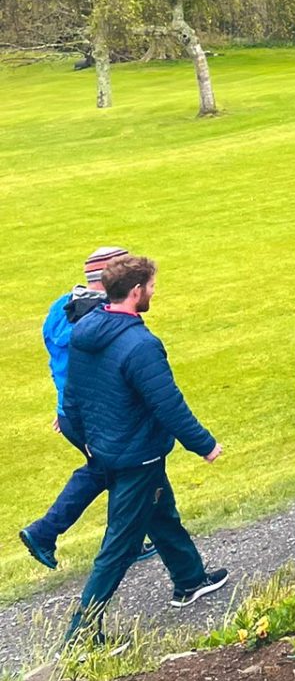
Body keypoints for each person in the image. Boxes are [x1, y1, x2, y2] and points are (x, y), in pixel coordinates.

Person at [62, 255, 226, 643]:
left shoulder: (84, 331)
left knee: (161, 512)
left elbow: (72, 399)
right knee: (119, 544)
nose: (154, 291)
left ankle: (189, 579)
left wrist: (85, 441)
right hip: (137, 455)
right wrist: (204, 444)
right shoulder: (141, 344)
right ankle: (81, 635)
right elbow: (166, 403)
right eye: (151, 286)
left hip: (108, 447)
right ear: (136, 292)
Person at [20, 245, 155, 572]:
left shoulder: (60, 307)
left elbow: (58, 361)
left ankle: (133, 543)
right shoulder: (103, 317)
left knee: (121, 472)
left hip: (72, 410)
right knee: (111, 470)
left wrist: (64, 405)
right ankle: (44, 531)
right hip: (93, 414)